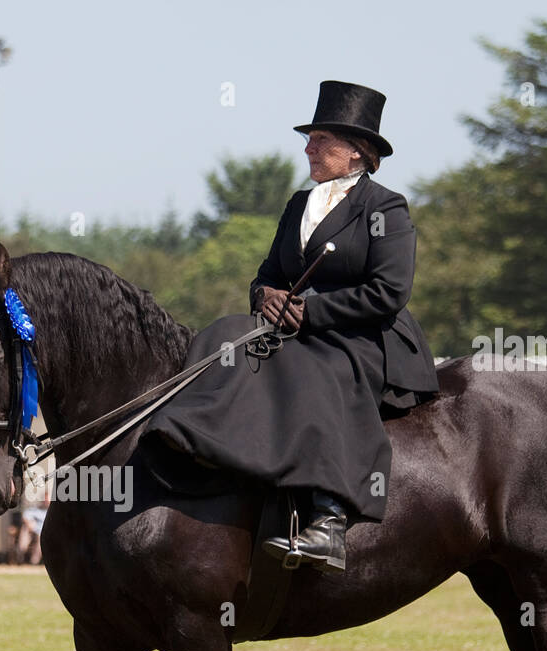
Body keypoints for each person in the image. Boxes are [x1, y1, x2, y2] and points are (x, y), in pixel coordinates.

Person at [145, 81, 438, 573]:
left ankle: (329, 520)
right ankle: (189, 440)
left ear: (356, 153)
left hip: (363, 335)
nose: (308, 148)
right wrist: (266, 296)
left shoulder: (385, 209)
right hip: (292, 325)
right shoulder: (298, 206)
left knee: (313, 370)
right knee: (223, 335)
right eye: (310, 139)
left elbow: (389, 292)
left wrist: (312, 313)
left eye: (320, 140)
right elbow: (267, 273)